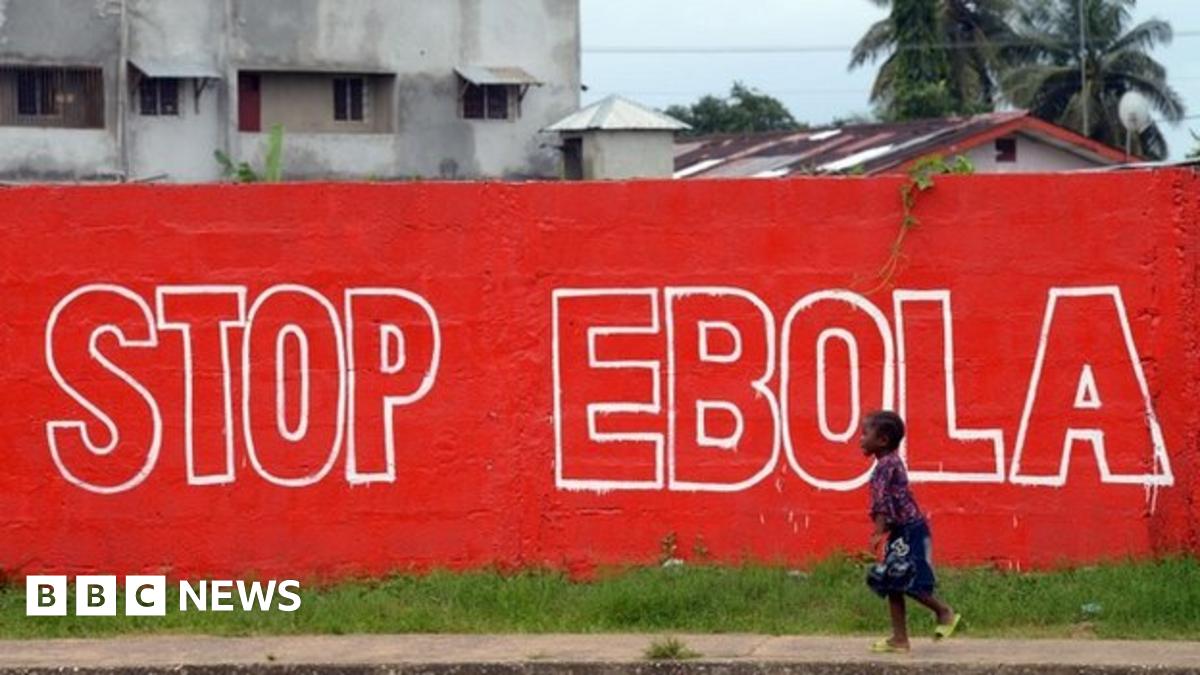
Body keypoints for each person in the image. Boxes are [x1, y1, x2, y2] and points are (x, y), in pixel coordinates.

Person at [861, 410, 962, 653]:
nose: (861, 440)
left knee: (903, 580)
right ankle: (899, 639)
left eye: (865, 434)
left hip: (909, 532)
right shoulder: (890, 462)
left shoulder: (886, 465)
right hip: (903, 531)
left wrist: (877, 532)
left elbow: (883, 502)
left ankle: (944, 611)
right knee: (892, 582)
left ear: (882, 440)